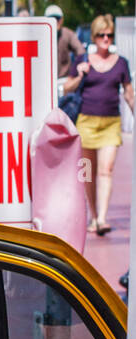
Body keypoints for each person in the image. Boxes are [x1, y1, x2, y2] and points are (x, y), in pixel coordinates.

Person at [63, 13, 135, 235]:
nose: (106, 39)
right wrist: (79, 75)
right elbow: (67, 88)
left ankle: (102, 218)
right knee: (88, 173)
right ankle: (93, 216)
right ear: (94, 37)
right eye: (102, 35)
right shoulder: (82, 61)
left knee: (106, 170)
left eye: (110, 35)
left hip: (111, 123)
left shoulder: (121, 62)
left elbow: (129, 93)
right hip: (86, 122)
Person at [46, 4, 85, 79]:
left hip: (63, 80)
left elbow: (81, 52)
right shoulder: (41, 37)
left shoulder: (68, 34)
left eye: (57, 18)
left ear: (62, 19)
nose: (55, 21)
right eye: (51, 18)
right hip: (46, 80)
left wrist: (74, 72)